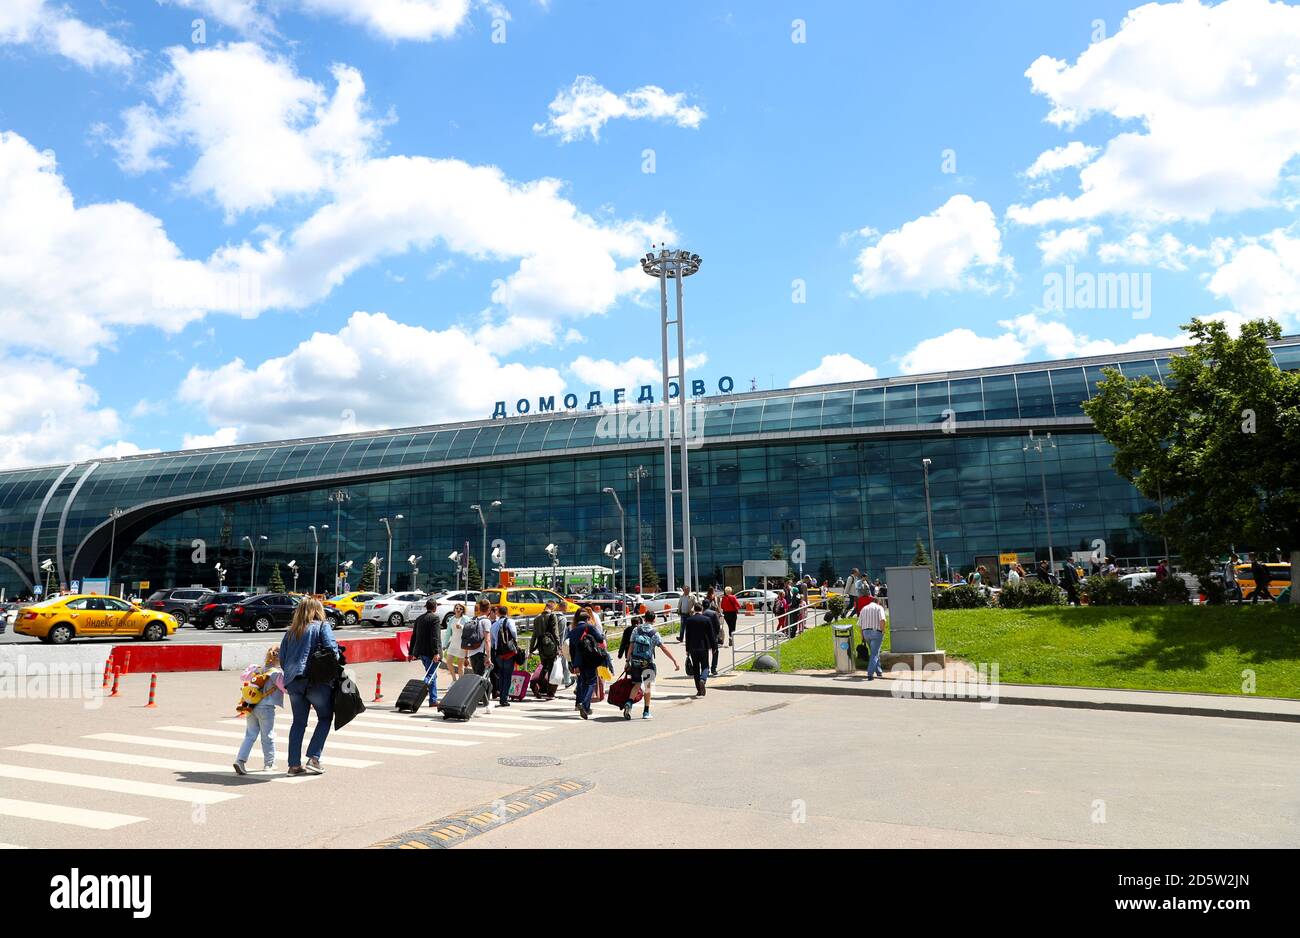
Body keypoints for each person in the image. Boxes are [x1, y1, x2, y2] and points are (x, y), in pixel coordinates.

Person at [278, 596, 338, 776]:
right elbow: (332, 651)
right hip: (316, 680)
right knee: (325, 717)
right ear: (318, 610)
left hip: (293, 682)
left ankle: (294, 765)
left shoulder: (290, 632)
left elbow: (282, 659)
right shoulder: (322, 626)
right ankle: (313, 758)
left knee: (298, 722)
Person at [233, 646, 283, 775]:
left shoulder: (256, 669)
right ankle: (269, 764)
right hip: (266, 708)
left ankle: (240, 760)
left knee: (250, 735)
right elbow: (285, 688)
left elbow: (243, 677)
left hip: (250, 705)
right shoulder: (276, 673)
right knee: (268, 736)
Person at [621, 614, 679, 720]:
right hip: (647, 663)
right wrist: (674, 660)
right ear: (654, 620)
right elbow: (663, 648)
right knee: (648, 687)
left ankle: (629, 703)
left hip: (635, 662)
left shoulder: (636, 630)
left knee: (637, 684)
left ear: (644, 619)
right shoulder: (654, 633)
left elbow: (631, 646)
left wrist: (627, 661)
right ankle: (646, 712)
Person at [568, 609, 606, 719]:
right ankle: (584, 704)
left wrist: (574, 664)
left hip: (578, 661)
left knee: (583, 682)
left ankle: (586, 708)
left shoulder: (573, 631)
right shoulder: (589, 627)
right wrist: (603, 636)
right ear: (587, 619)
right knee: (591, 682)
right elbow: (599, 639)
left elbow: (571, 649)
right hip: (590, 658)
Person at [408, 598, 443, 708]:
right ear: (435, 607)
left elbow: (414, 636)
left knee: (432, 674)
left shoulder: (419, 619)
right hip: (431, 653)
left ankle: (433, 699)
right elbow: (435, 637)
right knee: (430, 675)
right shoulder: (435, 618)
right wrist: (436, 652)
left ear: (426, 607)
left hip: (421, 653)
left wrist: (411, 653)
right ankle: (420, 693)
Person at [528, 600, 564, 699]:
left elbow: (534, 636)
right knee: (552, 669)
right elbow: (556, 633)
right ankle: (550, 692)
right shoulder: (553, 617)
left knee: (544, 667)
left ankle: (538, 686)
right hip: (551, 647)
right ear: (552, 607)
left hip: (541, 648)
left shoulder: (537, 619)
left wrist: (531, 650)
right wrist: (559, 646)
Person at [682, 603, 718, 698]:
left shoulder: (689, 620)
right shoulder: (706, 619)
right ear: (701, 609)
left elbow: (687, 635)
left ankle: (699, 690)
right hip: (704, 647)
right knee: (705, 666)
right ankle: (703, 679)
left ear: (694, 609)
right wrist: (714, 647)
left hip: (693, 648)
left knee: (696, 668)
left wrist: (687, 649)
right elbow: (711, 635)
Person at [490, 606, 519, 707]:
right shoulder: (510, 621)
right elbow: (514, 633)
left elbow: (492, 640)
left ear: (498, 613)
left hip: (498, 654)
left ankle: (501, 695)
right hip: (509, 654)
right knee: (507, 677)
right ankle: (504, 699)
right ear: (507, 612)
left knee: (501, 676)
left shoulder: (494, 624)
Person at [857, 596, 888, 680]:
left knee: (874, 652)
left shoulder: (864, 608)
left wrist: (862, 636)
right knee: (874, 653)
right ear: (878, 602)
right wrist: (882, 631)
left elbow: (860, 624)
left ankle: (879, 672)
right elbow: (882, 620)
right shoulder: (879, 608)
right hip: (876, 632)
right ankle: (870, 674)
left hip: (865, 633)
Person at [442, 602, 471, 682]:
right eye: (457, 608)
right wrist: (444, 645)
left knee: (460, 666)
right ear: (454, 609)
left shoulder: (466, 619)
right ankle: (454, 680)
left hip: (461, 645)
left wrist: (462, 627)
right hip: (453, 644)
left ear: (462, 610)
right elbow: (448, 633)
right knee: (448, 661)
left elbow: (469, 631)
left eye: (460, 609)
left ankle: (460, 683)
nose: (458, 610)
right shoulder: (451, 619)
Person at [703, 599, 724, 673]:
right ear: (709, 605)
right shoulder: (714, 613)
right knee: (715, 651)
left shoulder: (701, 614)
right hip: (713, 635)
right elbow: (718, 625)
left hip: (704, 637)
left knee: (705, 653)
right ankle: (713, 668)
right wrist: (717, 634)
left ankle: (706, 669)